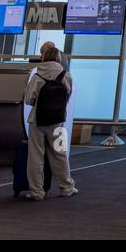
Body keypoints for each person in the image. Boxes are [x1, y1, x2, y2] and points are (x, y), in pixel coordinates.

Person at [23, 43, 77, 200]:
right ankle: (67, 187)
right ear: (59, 58)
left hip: (37, 121)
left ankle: (37, 192)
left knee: (35, 156)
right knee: (60, 154)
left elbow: (28, 99)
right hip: (58, 121)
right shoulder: (65, 75)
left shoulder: (37, 75)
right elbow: (67, 94)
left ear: (43, 57)